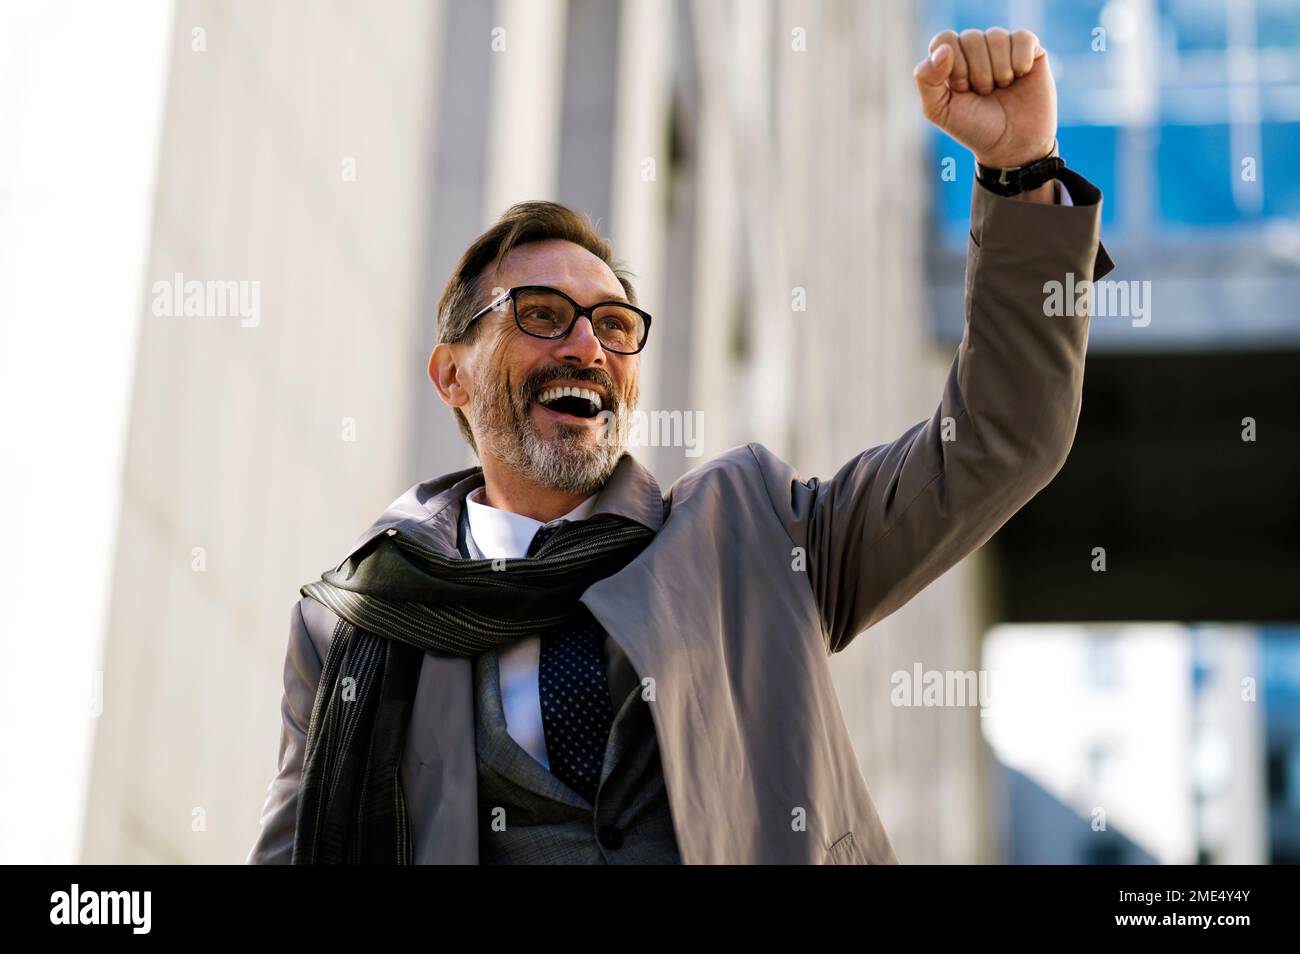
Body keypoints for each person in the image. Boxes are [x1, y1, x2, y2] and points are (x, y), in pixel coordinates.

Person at [247, 27, 1114, 864]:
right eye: (542, 316)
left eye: (614, 325)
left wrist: (1022, 169)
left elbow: (1003, 438)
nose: (586, 346)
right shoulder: (349, 625)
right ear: (453, 376)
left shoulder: (754, 533)